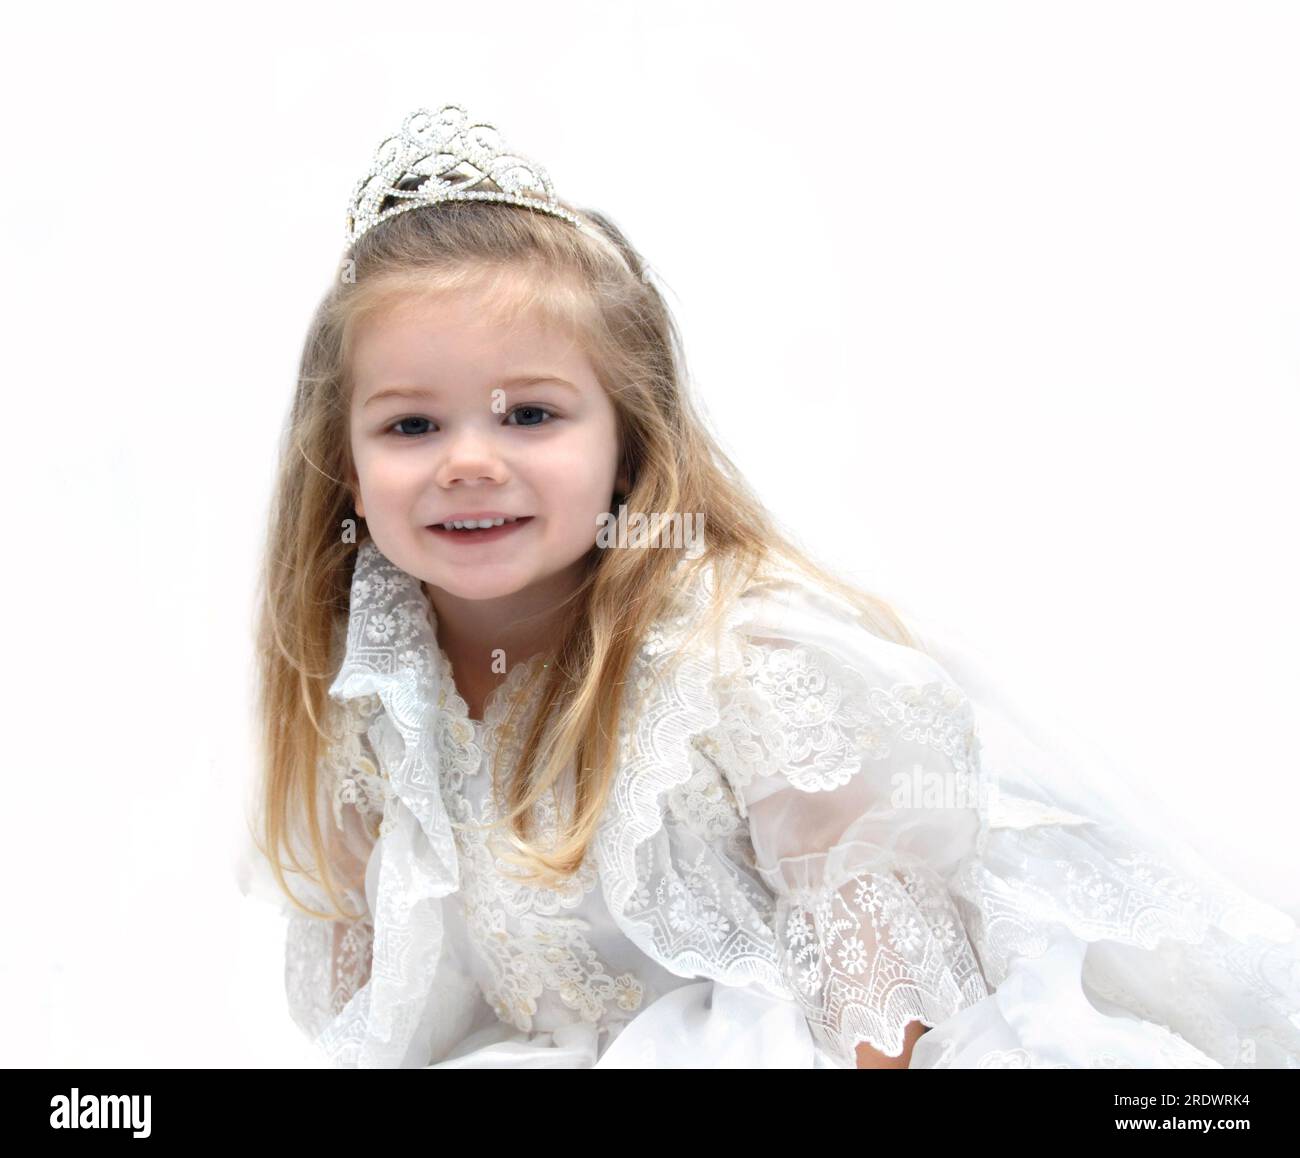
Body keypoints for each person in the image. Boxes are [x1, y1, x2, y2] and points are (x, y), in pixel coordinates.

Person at [238, 103, 1300, 1069]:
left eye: (530, 415)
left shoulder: (741, 662)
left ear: (628, 442)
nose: (468, 460)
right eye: (411, 425)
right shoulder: (370, 698)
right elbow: (400, 1019)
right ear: (344, 461)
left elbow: (890, 1006)